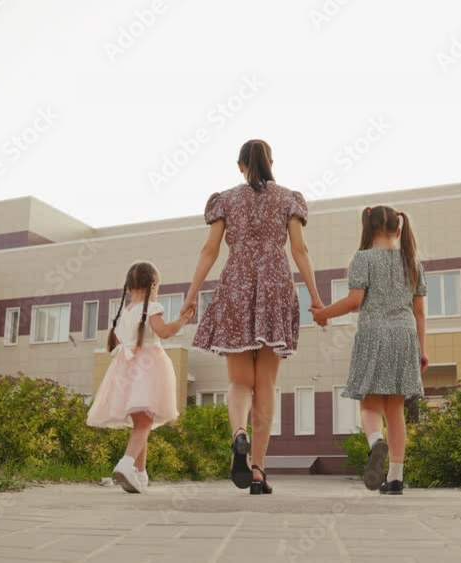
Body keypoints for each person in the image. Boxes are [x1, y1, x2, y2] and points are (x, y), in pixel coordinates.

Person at [180, 139, 323, 495]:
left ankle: (238, 433)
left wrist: (190, 296)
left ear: (240, 165)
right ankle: (258, 471)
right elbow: (300, 250)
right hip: (276, 283)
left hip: (237, 285)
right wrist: (317, 299)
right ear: (271, 161)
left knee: (240, 381)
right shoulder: (289, 198)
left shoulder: (225, 199)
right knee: (266, 386)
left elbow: (210, 250)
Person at [311, 205, 428, 495]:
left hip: (374, 334)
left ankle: (376, 441)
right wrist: (421, 350)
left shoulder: (362, 259)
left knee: (370, 405)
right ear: (398, 230)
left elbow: (353, 301)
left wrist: (323, 312)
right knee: (396, 410)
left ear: (368, 228)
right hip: (405, 336)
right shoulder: (411, 262)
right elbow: (421, 312)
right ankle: (396, 478)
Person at [87, 261, 193, 493]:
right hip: (148, 369)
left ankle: (140, 473)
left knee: (141, 422)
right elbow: (164, 332)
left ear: (128, 286)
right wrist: (182, 320)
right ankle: (126, 464)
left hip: (126, 371)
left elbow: (116, 344)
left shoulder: (123, 313)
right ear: (153, 285)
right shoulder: (152, 308)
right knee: (145, 421)